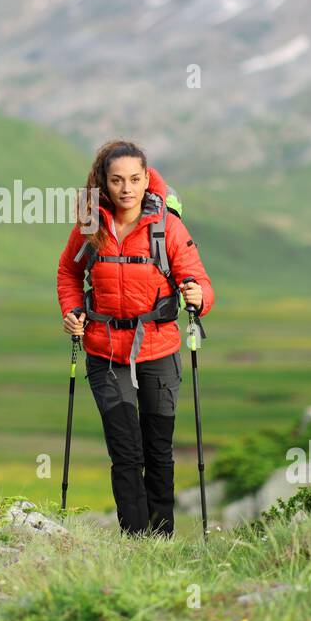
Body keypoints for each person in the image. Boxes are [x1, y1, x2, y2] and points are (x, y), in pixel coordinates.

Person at [56, 139, 215, 538]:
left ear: (146, 180)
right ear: (103, 182)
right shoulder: (90, 225)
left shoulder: (167, 227)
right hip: (105, 350)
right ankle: (136, 541)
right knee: (126, 452)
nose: (126, 188)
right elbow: (69, 272)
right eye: (116, 180)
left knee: (158, 451)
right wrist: (72, 310)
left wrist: (199, 296)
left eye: (133, 179)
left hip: (159, 349)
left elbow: (198, 280)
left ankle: (161, 540)